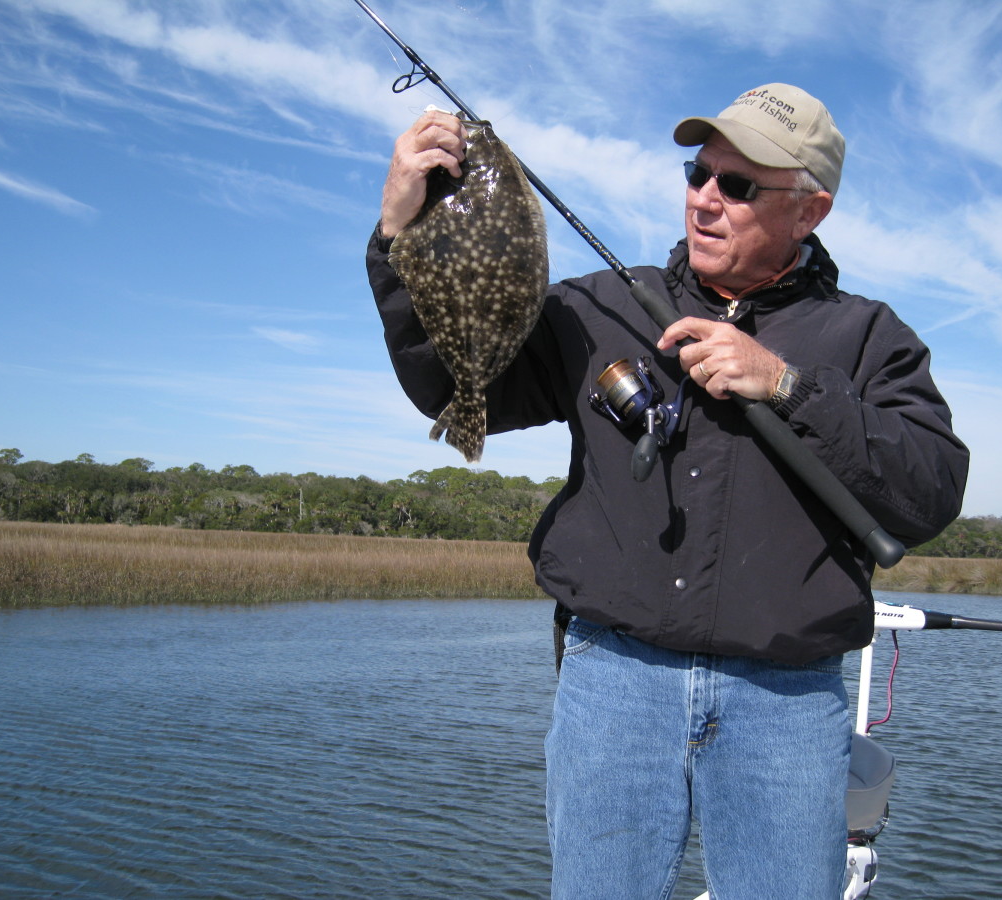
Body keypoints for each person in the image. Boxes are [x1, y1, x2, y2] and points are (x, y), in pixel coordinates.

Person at [367, 83, 968, 899]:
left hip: (784, 703)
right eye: (698, 174)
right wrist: (398, 238)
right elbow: (456, 386)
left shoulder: (868, 340)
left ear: (811, 211)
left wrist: (788, 386)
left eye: (740, 185)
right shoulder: (600, 306)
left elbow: (929, 489)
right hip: (613, 686)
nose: (707, 199)